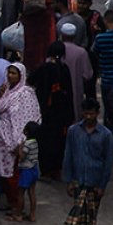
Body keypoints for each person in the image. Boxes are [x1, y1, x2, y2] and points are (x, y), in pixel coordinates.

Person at [59, 98, 113, 225]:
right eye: (86, 113)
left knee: (90, 218)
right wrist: (68, 180)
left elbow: (108, 162)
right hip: (78, 181)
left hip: (94, 183)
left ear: (97, 114)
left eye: (92, 113)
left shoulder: (106, 135)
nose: (89, 116)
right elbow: (68, 155)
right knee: (83, 218)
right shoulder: (74, 131)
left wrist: (102, 185)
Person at [0, 62, 40, 221]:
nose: (10, 76)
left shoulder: (26, 94)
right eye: (9, 73)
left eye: (14, 73)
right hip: (2, 137)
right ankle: (14, 204)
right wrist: (0, 93)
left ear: (21, 76)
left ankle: (17, 208)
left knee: (16, 176)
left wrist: (19, 141)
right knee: (5, 174)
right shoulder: (6, 90)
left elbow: (26, 117)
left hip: (15, 139)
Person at [32, 42, 75, 179]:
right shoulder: (64, 69)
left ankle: (46, 170)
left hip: (45, 111)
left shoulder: (43, 68)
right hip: (61, 112)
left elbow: (31, 81)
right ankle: (56, 169)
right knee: (58, 141)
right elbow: (70, 93)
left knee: (45, 141)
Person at [17, 121, 41, 221]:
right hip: (34, 169)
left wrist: (19, 148)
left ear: (26, 131)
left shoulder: (27, 144)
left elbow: (22, 156)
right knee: (32, 193)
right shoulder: (35, 142)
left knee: (20, 193)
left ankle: (18, 214)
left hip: (26, 170)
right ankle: (32, 215)